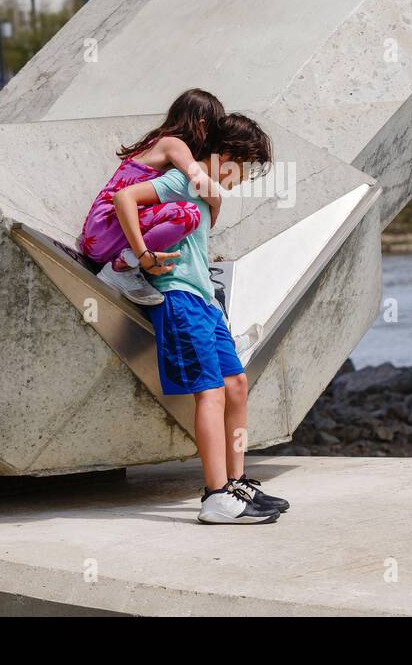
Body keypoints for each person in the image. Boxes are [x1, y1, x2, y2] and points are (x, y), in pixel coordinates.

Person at [111, 113, 290, 524]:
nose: (242, 179)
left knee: (236, 384)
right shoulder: (181, 180)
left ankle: (237, 481)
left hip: (206, 302)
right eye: (243, 169)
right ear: (226, 155)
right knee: (209, 392)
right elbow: (125, 200)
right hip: (179, 299)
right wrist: (144, 256)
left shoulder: (207, 194)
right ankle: (215, 496)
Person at [79, 89, 224, 305]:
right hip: (108, 226)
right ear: (202, 125)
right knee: (188, 214)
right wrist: (217, 206)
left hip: (98, 237)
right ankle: (122, 268)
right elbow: (200, 181)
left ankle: (125, 263)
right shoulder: (173, 143)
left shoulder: (154, 143)